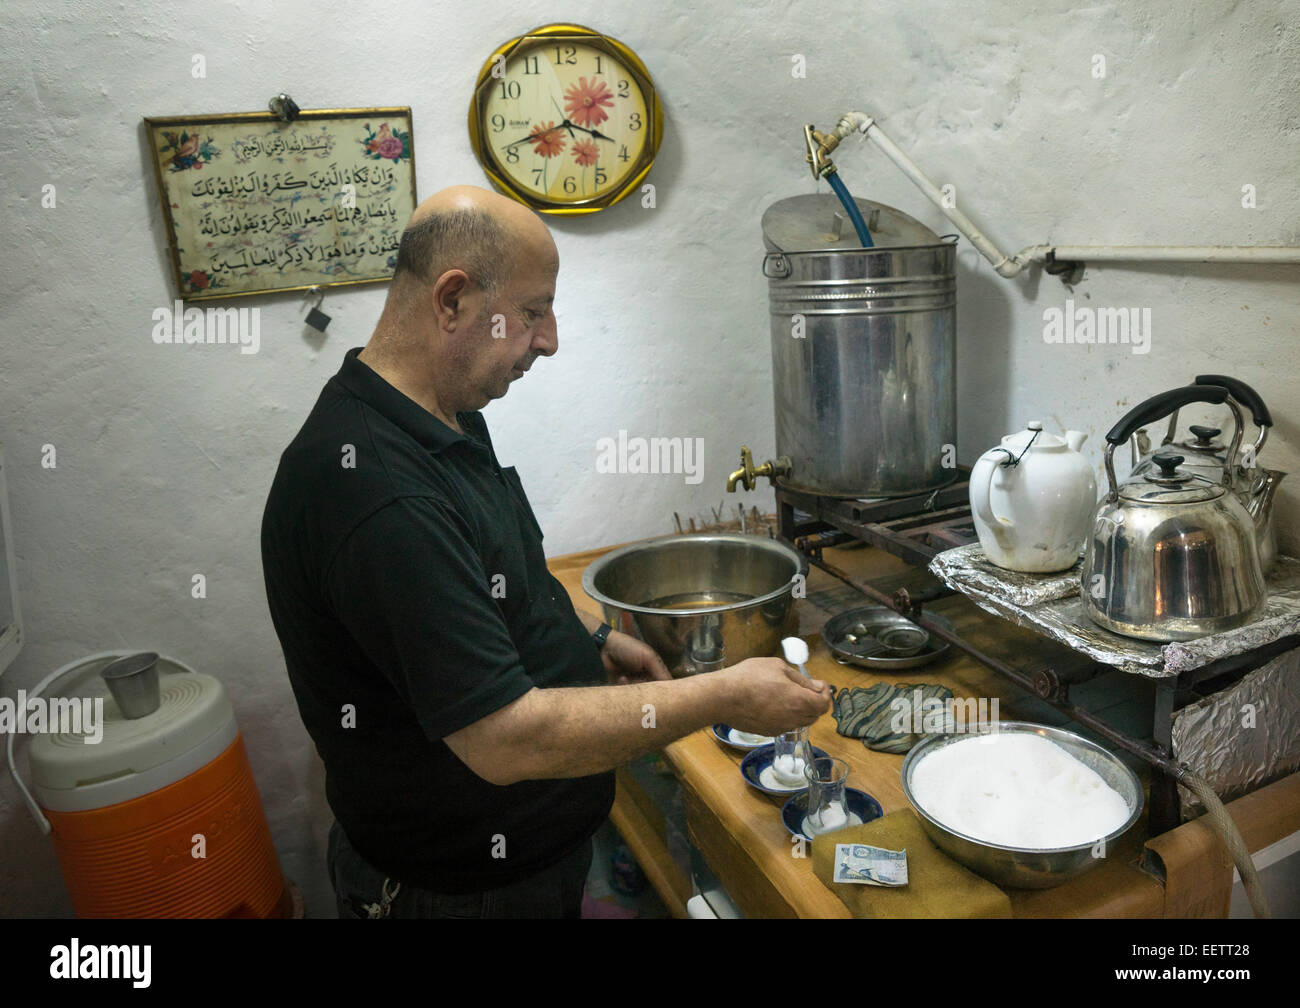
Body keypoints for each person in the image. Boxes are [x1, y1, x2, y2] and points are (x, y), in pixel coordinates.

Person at [260, 185, 831, 919]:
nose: (551, 339)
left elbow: (503, 576)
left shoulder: (443, 414)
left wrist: (589, 638)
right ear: (453, 300)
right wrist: (725, 694)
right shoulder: (377, 493)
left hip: (528, 864)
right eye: (533, 312)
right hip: (458, 896)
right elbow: (505, 740)